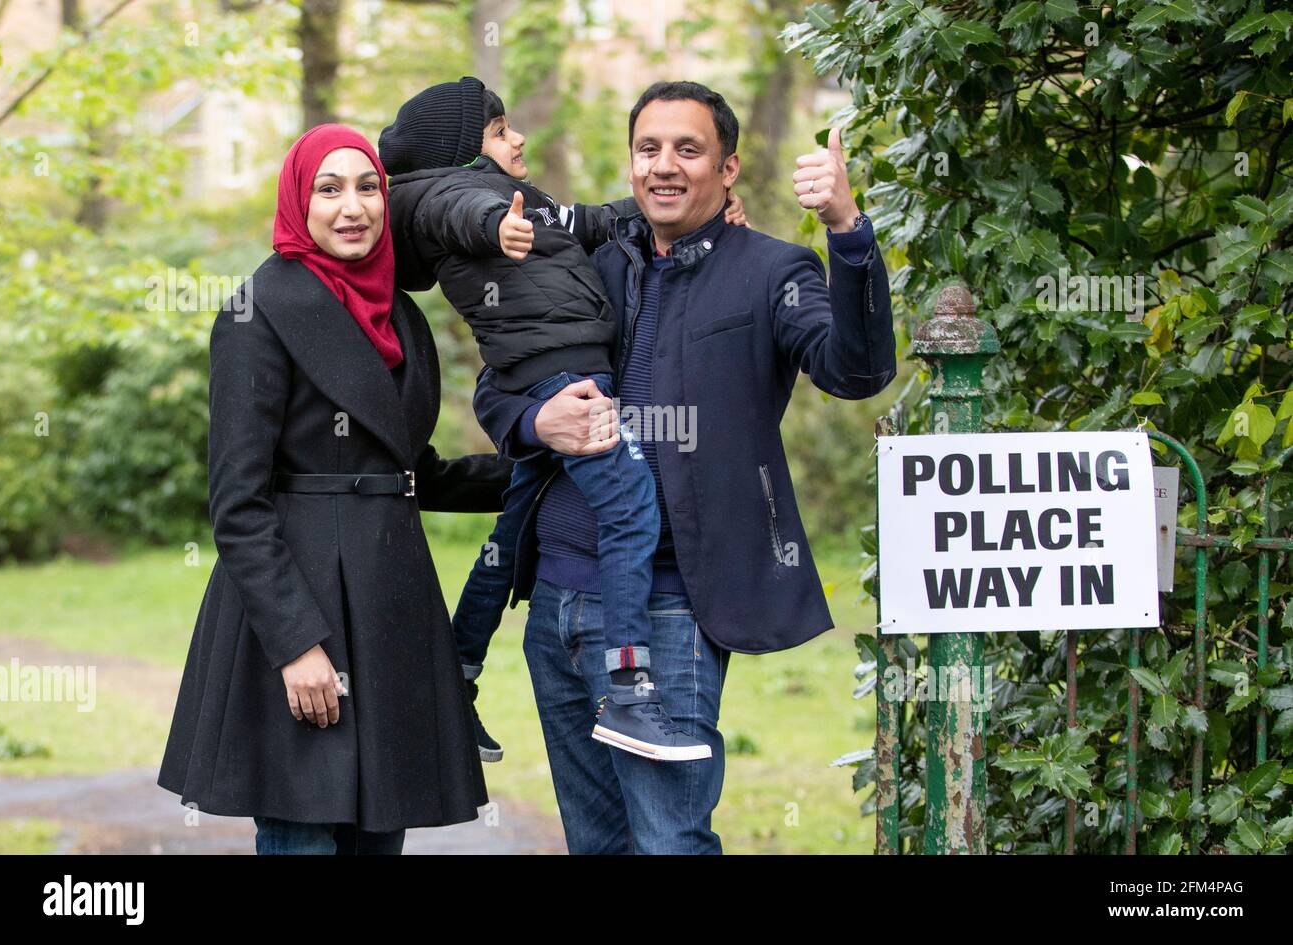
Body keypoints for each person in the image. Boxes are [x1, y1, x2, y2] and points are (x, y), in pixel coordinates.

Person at [471, 81, 898, 853]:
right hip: (557, 606)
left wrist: (847, 229)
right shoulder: (590, 263)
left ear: (728, 169)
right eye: (648, 148)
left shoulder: (772, 271)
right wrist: (537, 418)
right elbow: (499, 383)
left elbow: (855, 371)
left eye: (688, 149)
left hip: (670, 610)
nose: (665, 166)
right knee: (598, 844)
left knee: (669, 841)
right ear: (631, 163)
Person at [157, 124, 511, 855]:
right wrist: (295, 644)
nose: (352, 207)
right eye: (329, 188)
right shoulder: (259, 310)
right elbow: (238, 502)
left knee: (380, 838)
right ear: (299, 201)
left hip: (390, 613)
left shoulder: (402, 317)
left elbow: (409, 469)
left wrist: (537, 466)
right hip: (301, 614)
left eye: (367, 187)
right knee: (305, 832)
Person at [379, 77, 744, 763]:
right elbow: (459, 213)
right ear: (463, 151)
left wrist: (711, 213)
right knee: (633, 506)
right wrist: (496, 226)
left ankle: (453, 676)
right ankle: (631, 691)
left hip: (553, 371)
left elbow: (593, 221)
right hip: (557, 376)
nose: (516, 138)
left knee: (511, 533)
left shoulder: (527, 204)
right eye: (497, 131)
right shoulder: (454, 195)